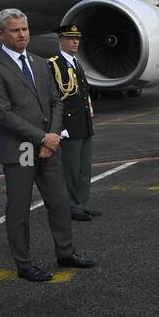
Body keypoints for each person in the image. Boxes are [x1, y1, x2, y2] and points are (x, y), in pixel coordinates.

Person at [0, 8, 96, 282]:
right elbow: (2, 113)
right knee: (19, 210)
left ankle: (66, 252)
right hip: (20, 149)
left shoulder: (40, 63)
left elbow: (56, 102)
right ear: (1, 34)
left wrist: (51, 138)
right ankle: (24, 263)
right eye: (15, 30)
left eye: (25, 29)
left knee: (60, 202)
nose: (22, 34)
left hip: (49, 146)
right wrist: (41, 138)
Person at [48, 24, 99, 223]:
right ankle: (73, 207)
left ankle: (83, 204)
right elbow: (53, 99)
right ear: (60, 40)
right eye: (70, 38)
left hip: (84, 124)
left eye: (77, 38)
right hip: (69, 126)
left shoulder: (76, 63)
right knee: (70, 170)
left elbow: (83, 95)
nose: (75, 41)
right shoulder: (54, 64)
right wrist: (59, 127)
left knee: (84, 169)